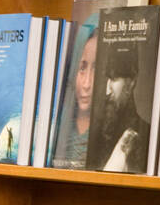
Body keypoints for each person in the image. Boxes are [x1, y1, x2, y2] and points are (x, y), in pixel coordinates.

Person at [89, 45, 149, 173]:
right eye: (108, 79)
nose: (107, 90)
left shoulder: (147, 136)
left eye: (114, 79)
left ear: (132, 82)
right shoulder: (94, 134)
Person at [50, 22, 98, 170]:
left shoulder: (110, 132)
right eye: (81, 68)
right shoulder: (55, 127)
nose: (86, 84)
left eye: (96, 68)